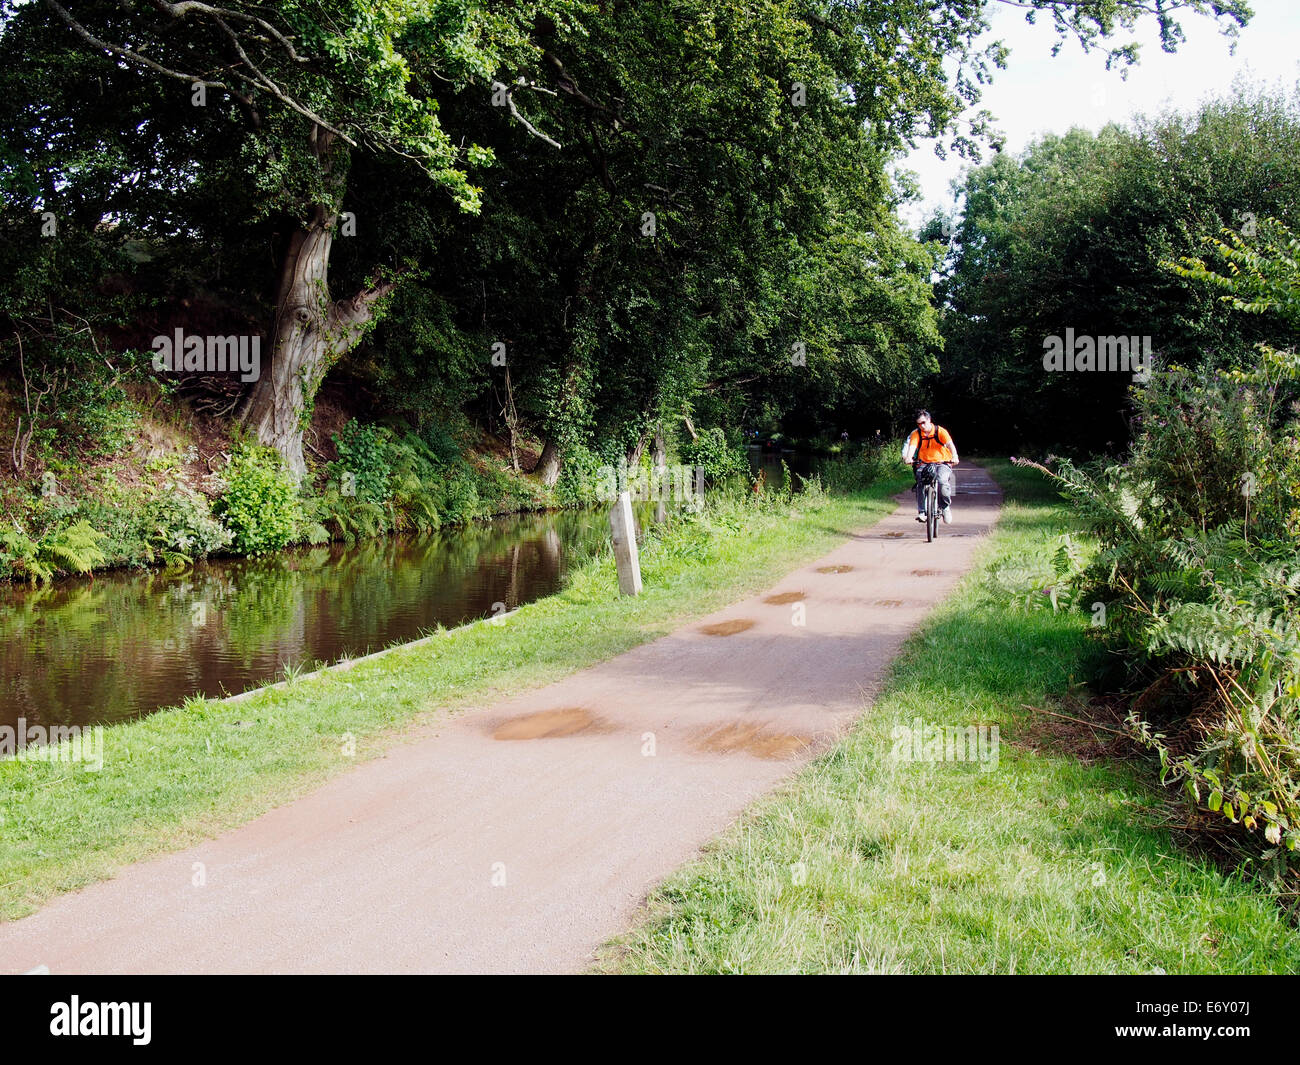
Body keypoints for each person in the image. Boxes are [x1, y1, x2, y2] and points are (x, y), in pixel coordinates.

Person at [902, 409, 959, 523]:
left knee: (942, 481)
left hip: (942, 462)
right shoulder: (916, 434)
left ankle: (945, 507)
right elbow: (912, 447)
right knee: (920, 482)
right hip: (924, 463)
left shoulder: (940, 431)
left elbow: (950, 445)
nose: (921, 426)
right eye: (919, 423)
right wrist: (909, 458)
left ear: (929, 420)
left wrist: (955, 456)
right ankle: (922, 512)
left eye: (923, 422)